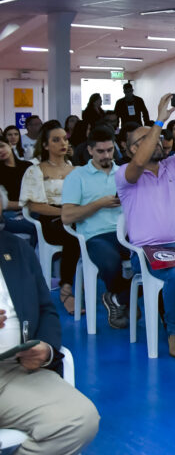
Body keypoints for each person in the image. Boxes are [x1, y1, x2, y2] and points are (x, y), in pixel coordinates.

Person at [0, 229, 100, 455]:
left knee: (78, 419)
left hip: (14, 368)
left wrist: (45, 349)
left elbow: (45, 308)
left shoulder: (15, 248)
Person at [117, 92, 175, 358]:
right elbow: (138, 163)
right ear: (132, 148)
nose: (157, 141)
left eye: (157, 137)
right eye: (147, 139)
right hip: (147, 252)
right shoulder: (126, 175)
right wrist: (158, 120)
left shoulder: (172, 165)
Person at [60, 127, 133, 328]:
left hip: (127, 233)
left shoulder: (125, 173)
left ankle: (119, 299)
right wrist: (99, 204)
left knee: (151, 259)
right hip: (95, 236)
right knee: (111, 262)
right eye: (101, 151)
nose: (106, 155)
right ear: (90, 150)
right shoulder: (78, 176)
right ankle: (125, 298)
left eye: (110, 150)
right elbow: (66, 216)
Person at [20, 122, 82, 313]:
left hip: (76, 214)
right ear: (45, 145)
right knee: (74, 235)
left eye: (65, 138)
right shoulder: (36, 170)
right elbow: (34, 205)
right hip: (51, 218)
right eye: (56, 140)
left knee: (92, 231)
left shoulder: (75, 170)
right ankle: (66, 288)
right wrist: (64, 213)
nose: (63, 143)